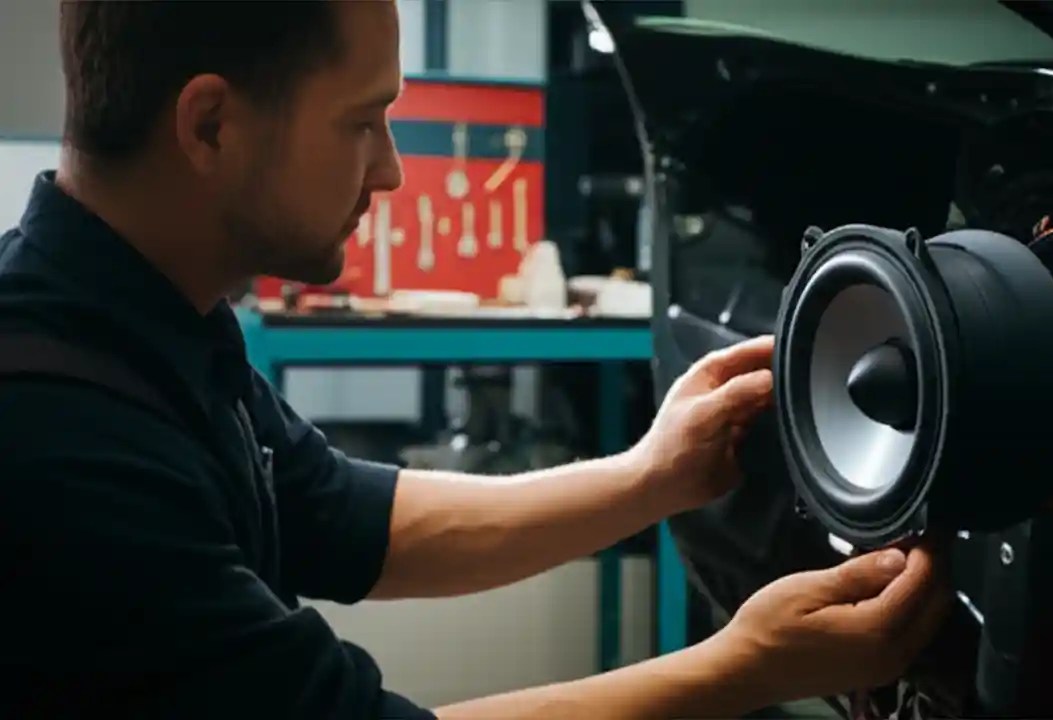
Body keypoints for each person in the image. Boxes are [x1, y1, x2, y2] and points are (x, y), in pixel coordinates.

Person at [0, 2, 950, 718]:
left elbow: (344, 513)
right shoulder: (59, 443)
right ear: (210, 126)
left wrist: (651, 476)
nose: (390, 171)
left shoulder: (138, 315)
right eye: (361, 121)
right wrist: (747, 668)